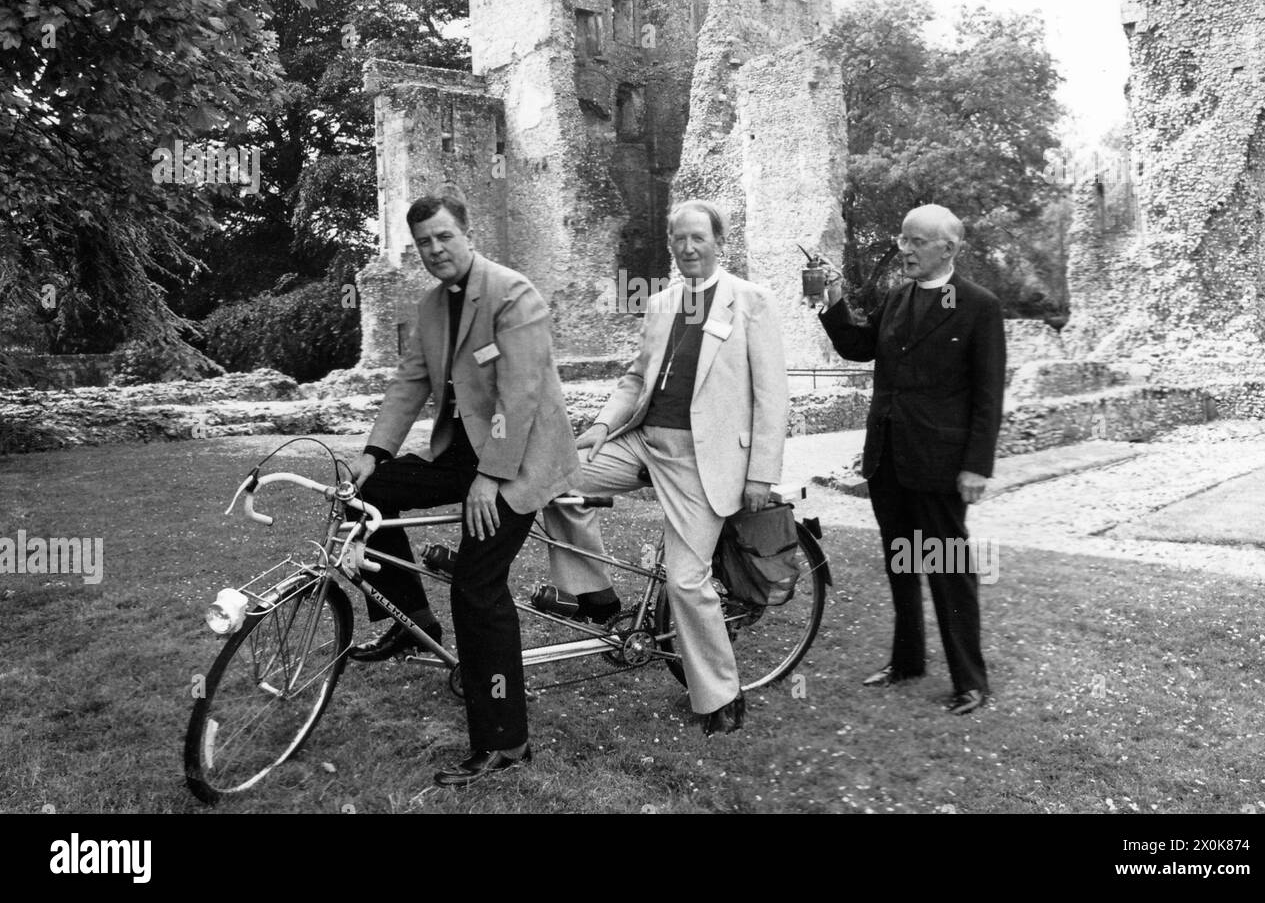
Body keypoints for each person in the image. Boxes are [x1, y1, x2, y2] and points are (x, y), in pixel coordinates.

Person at [343, 186, 583, 785]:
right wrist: (375, 453)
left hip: (520, 459)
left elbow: (520, 393)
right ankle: (408, 620)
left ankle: (506, 743)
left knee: (477, 587)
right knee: (368, 493)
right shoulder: (430, 307)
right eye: (424, 242)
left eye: (444, 236)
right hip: (466, 451)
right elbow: (409, 384)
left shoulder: (512, 293)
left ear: (467, 234)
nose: (435, 249)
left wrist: (490, 477)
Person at [543, 200, 788, 735]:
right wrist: (603, 427)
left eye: (698, 237)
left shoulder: (750, 301)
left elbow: (772, 397)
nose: (688, 248)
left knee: (684, 579)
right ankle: (595, 594)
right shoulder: (661, 304)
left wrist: (760, 475)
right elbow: (636, 380)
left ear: (719, 241)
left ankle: (722, 696)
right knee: (548, 475)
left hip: (703, 461)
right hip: (641, 441)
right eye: (679, 239)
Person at [813, 203, 1005, 715]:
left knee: (949, 568)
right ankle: (907, 661)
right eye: (902, 239)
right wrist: (833, 301)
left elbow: (988, 396)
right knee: (903, 563)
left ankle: (970, 680)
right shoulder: (897, 298)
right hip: (888, 462)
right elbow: (858, 347)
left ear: (948, 247)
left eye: (916, 241)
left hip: (941, 464)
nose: (904, 249)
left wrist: (976, 466)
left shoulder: (979, 306)